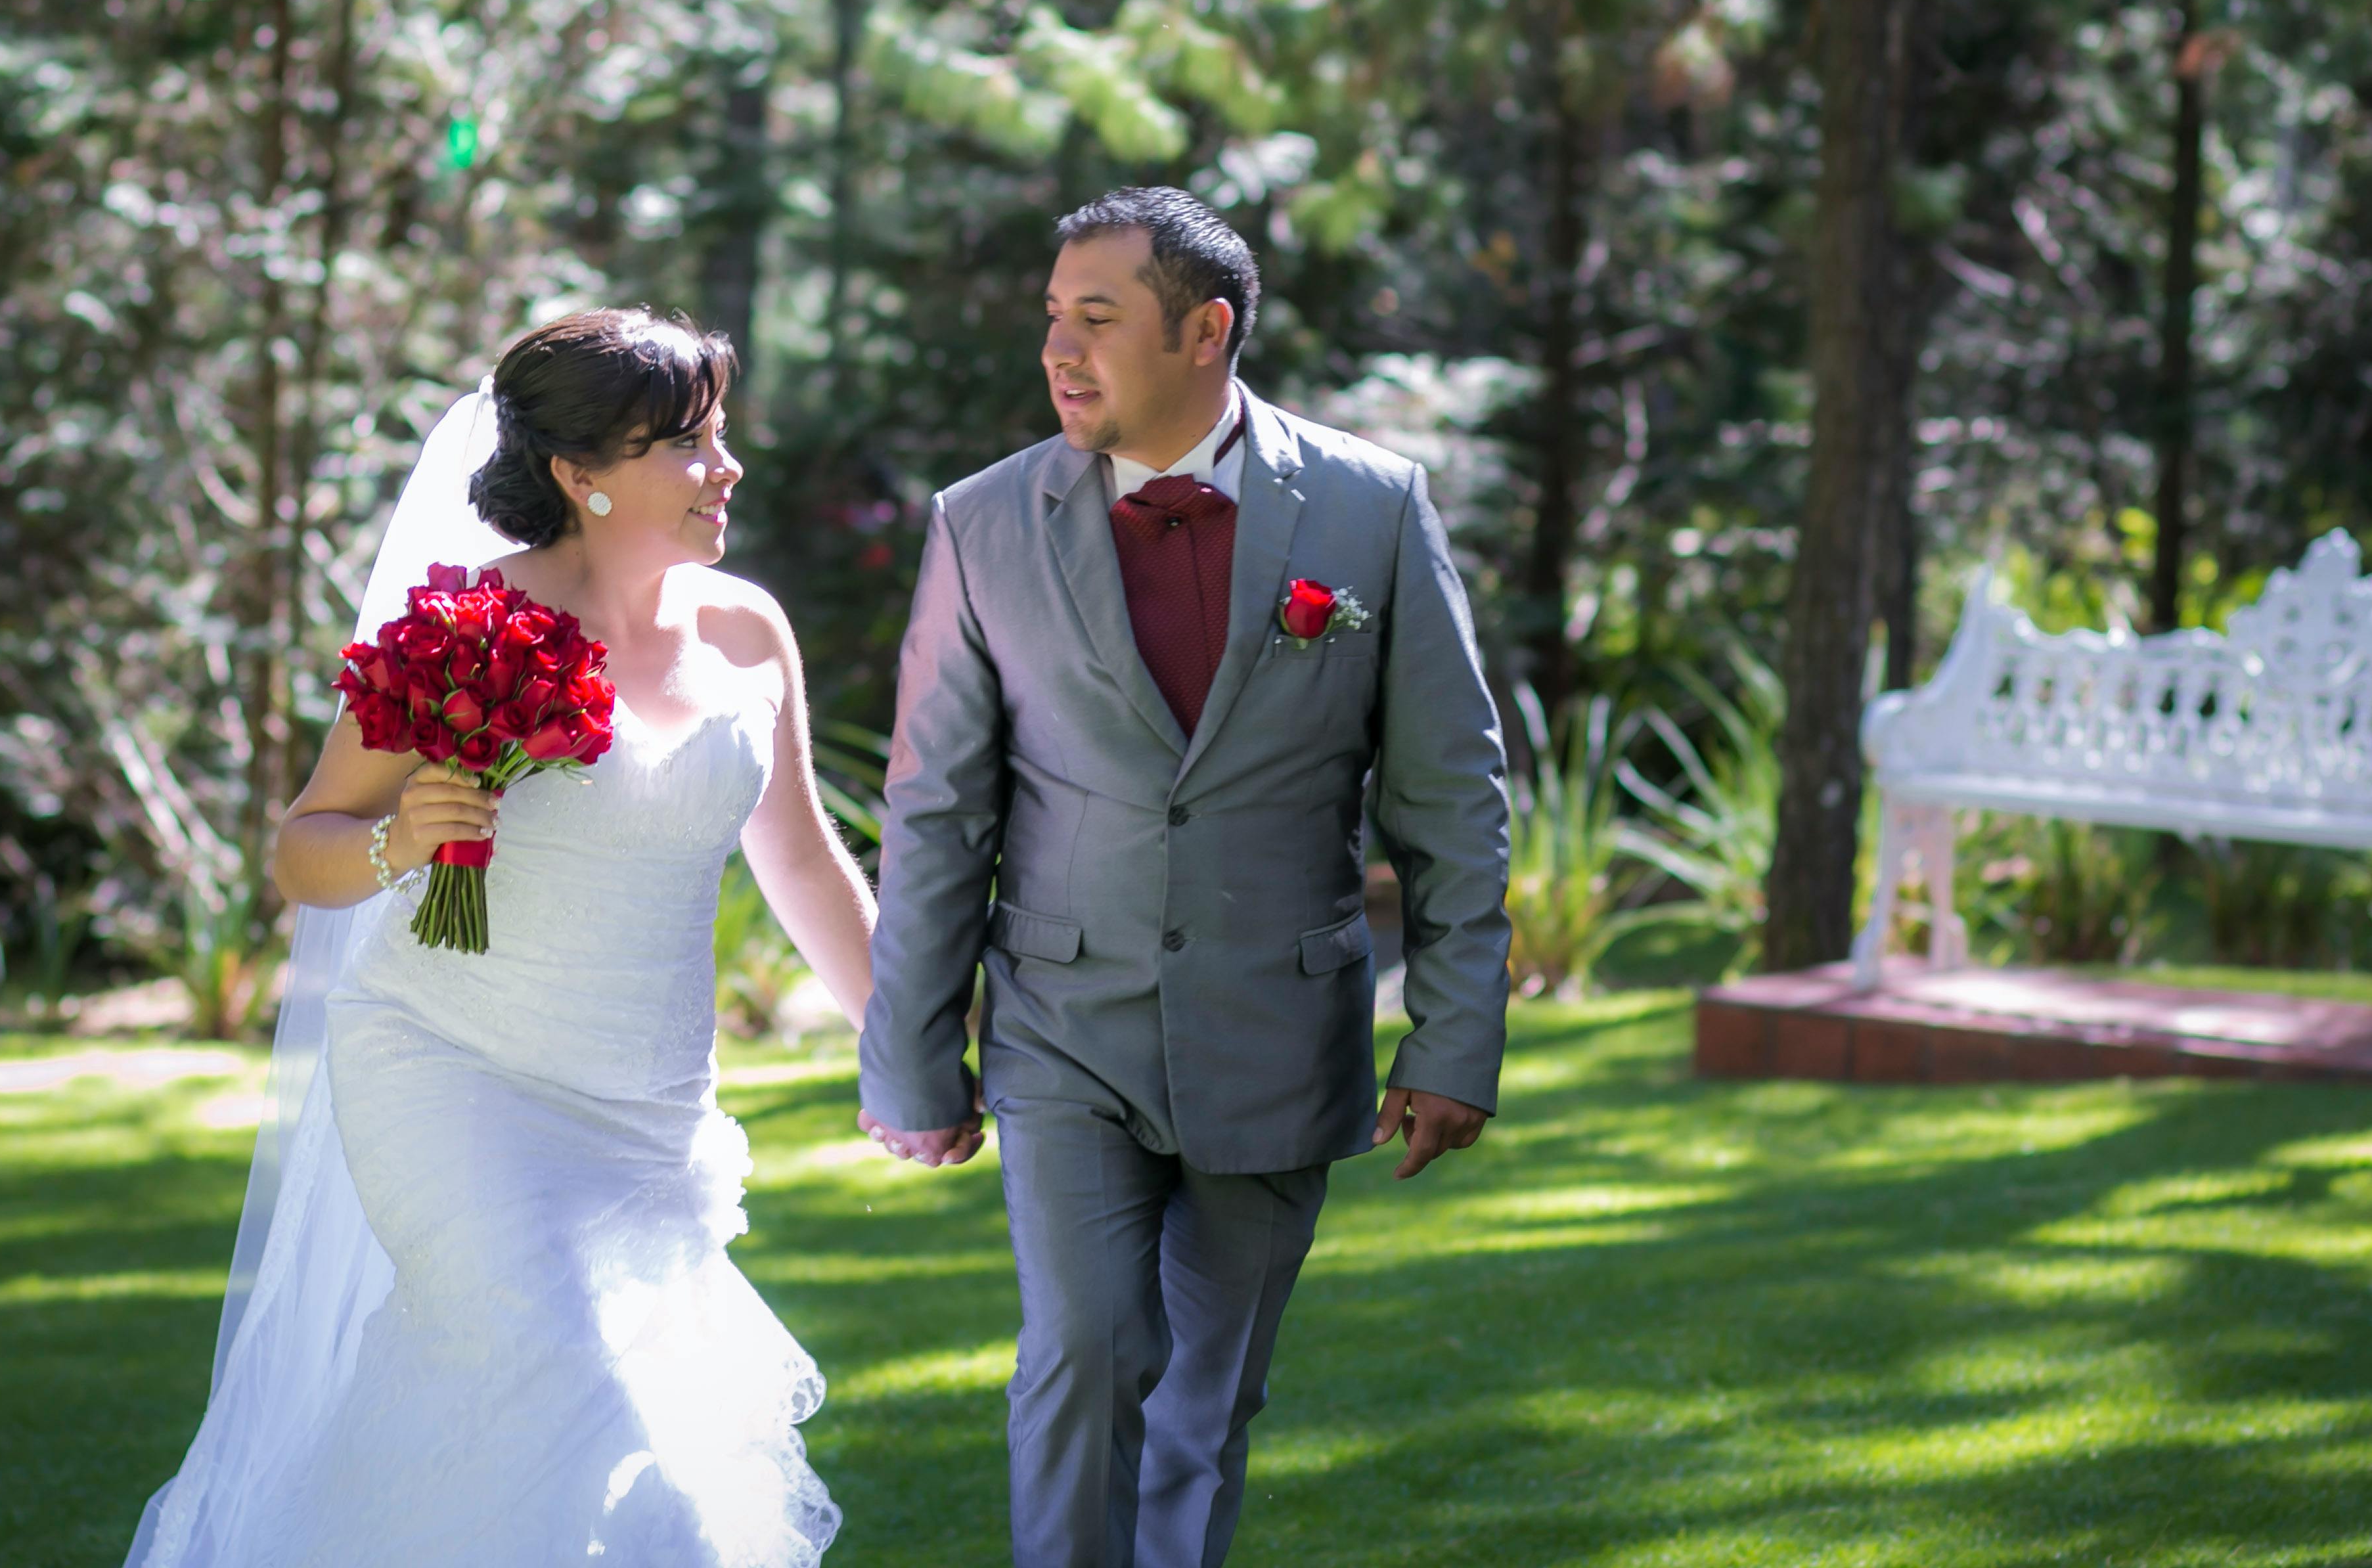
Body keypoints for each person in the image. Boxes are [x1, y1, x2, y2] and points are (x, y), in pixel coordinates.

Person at [127, 309, 885, 1567]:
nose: (728, 467)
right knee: (559, 1369)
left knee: (569, 1427)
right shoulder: (468, 629)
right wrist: (400, 840)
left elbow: (801, 856)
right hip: (449, 1070)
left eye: (719, 434)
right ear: (581, 475)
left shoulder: (748, 633)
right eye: (688, 445)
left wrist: (903, 1044)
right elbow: (307, 846)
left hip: (647, 1112)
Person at [857, 187, 1512, 1567]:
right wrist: (910, 1056)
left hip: (1280, 1022)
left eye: (1097, 319)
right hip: (1064, 1023)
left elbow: (1451, 800)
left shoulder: (1371, 508)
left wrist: (1455, 1036)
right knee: (1083, 1353)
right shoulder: (983, 524)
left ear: (1205, 331)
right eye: (1053, 317)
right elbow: (936, 809)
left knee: (1209, 1405)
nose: (1060, 349)